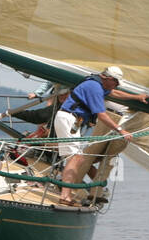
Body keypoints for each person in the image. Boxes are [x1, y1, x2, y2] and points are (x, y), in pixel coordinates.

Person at [53, 66, 142, 205]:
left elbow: (114, 93)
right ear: (109, 78)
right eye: (116, 82)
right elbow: (101, 114)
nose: (117, 85)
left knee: (77, 159)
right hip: (68, 119)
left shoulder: (98, 85)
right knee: (76, 158)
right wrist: (120, 130)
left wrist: (137, 97)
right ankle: (65, 196)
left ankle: (66, 193)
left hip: (70, 119)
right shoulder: (94, 87)